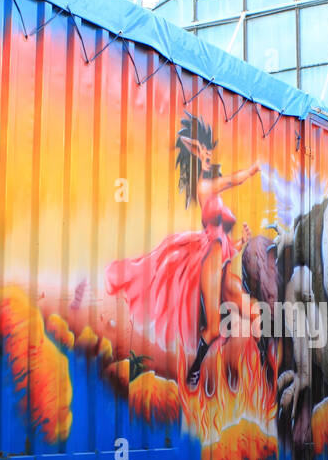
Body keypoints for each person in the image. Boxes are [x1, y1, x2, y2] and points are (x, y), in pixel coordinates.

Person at [105, 113, 259, 389]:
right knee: (213, 328)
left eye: (208, 149)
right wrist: (249, 172)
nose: (207, 155)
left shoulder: (217, 195)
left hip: (222, 257)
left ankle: (250, 371)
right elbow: (232, 181)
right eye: (201, 150)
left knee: (249, 307)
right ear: (195, 155)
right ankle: (196, 367)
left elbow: (225, 241)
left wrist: (241, 243)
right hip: (210, 258)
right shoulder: (205, 186)